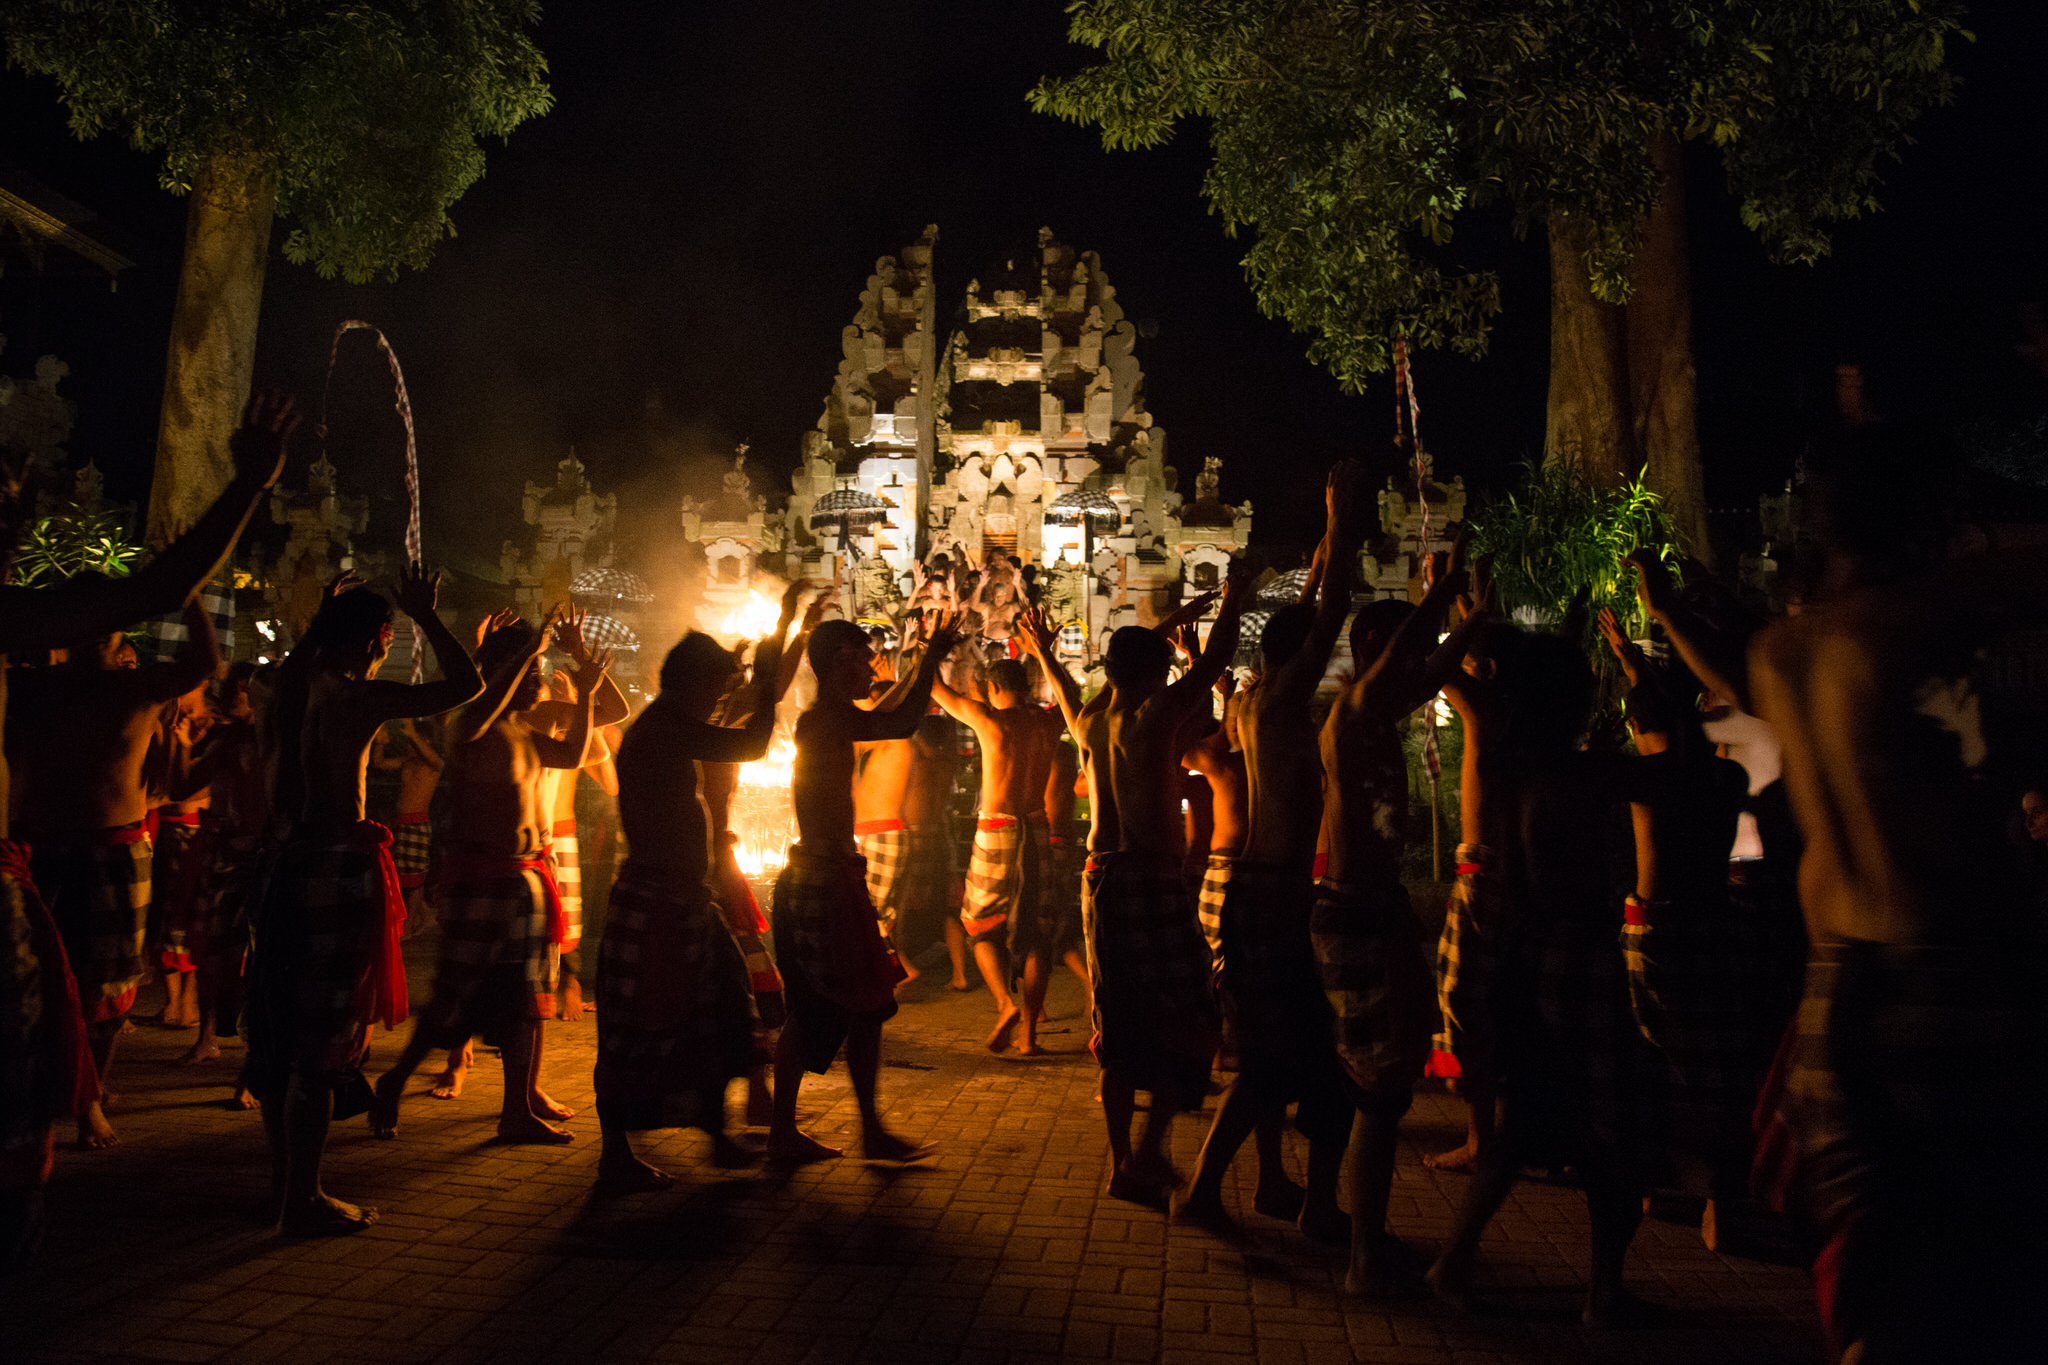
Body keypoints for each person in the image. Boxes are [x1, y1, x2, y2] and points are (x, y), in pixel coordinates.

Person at [1747, 422, 2048, 1361]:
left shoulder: (1781, 650)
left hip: (1833, 992)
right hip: (1946, 984)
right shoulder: (1914, 620)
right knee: (1977, 1291)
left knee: (1887, 1297)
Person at [1, 389, 291, 1259]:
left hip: (99, 847)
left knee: (94, 995)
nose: (14, 514)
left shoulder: (117, 686)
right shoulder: (41, 675)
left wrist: (242, 498)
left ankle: (87, 1096)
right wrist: (246, 484)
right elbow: (159, 584)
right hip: (38, 848)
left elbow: (176, 614)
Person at [1426, 631, 1659, 1327]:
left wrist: (1472, 630)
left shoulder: (1506, 763)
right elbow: (1681, 770)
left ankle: (1457, 1261)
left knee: (1527, 1123)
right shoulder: (1587, 772)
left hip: (1527, 959)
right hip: (1579, 960)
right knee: (1613, 1129)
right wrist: (1643, 673)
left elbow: (1442, 670)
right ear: (1575, 699)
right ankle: (1602, 1288)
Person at [243, 564, 484, 1233]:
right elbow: (469, 683)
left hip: (277, 865)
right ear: (380, 638)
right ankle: (304, 1199)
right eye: (387, 637)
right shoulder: (356, 699)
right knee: (323, 1044)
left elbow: (290, 673)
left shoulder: (271, 688)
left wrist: (319, 619)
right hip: (331, 864)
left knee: (279, 1032)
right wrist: (427, 615)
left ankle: (283, 1186)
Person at [1178, 464, 1364, 1247]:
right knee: (1298, 1060)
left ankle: (1283, 1188)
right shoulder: (1282, 699)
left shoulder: (1253, 699)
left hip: (1260, 891)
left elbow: (1301, 618)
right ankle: (1215, 1192)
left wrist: (1316, 563)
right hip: (1275, 897)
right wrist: (1341, 520)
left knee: (1276, 1053)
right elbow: (1328, 615)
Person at [1032, 578, 1245, 1206]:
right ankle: (1149, 1149)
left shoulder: (1093, 717)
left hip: (1101, 878)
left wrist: (1047, 651)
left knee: (1122, 1025)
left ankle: (1127, 1162)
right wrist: (1232, 599)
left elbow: (1122, 664)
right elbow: (1211, 662)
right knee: (1196, 1013)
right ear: (1158, 674)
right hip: (1148, 878)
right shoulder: (1154, 715)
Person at [370, 610, 610, 1145]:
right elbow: (483, 702)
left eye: (539, 670)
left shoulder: (524, 732)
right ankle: (396, 1079)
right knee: (455, 997)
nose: (539, 680)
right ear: (501, 673)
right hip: (483, 880)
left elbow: (573, 753)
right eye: (529, 672)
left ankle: (516, 1111)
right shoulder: (472, 727)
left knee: (528, 1002)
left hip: (527, 878)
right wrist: (523, 652)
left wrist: (588, 687)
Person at [593, 584, 802, 1189]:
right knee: (634, 1031)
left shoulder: (672, 723)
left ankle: (716, 1136)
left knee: (721, 1016)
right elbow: (752, 741)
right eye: (714, 684)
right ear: (692, 683)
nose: (719, 695)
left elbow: (743, 718)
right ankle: (617, 1155)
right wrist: (765, 670)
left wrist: (775, 643)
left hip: (681, 899)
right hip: (656, 899)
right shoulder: (663, 729)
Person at [7, 590, 222, 1149]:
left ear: (123, 637)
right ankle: (31, 1092)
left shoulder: (139, 687)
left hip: (116, 849)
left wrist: (190, 596)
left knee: (108, 990)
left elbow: (204, 665)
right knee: (25, 978)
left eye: (106, 625)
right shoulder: (34, 687)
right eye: (83, 623)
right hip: (40, 848)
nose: (94, 633)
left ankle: (91, 1098)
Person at [769, 608, 962, 1164]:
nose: (872, 666)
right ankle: (851, 1131)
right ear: (840, 663)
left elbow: (893, 713)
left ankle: (836, 1130)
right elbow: (900, 722)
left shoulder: (829, 716)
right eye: (863, 657)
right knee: (850, 1007)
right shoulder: (827, 718)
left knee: (850, 1007)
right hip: (824, 880)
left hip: (828, 876)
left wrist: (924, 658)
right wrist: (928, 655)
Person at [1596, 609, 1760, 1240]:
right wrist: (1633, 662)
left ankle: (1655, 1183)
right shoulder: (1725, 774)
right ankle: (1719, 1197)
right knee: (1711, 1061)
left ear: (1635, 726)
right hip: (1716, 921)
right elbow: (1663, 714)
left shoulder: (1644, 778)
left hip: (1657, 930)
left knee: (1650, 1060)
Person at [934, 656, 1071, 1054]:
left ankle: (1004, 1004)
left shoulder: (989, 720)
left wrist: (933, 645)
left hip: (997, 827)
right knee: (1037, 933)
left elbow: (936, 689)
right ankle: (1029, 1036)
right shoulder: (1048, 722)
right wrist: (1045, 652)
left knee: (979, 925)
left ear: (993, 688)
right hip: (1037, 825)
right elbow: (1072, 696)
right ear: (1026, 686)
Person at [165, 664, 267, 1080]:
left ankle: (255, 1056)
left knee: (261, 956)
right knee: (212, 950)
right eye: (233, 689)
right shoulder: (226, 739)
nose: (235, 697)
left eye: (244, 691)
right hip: (222, 852)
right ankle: (206, 1037)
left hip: (262, 856)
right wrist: (183, 742)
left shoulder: (275, 739)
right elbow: (182, 788)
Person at [371, 718, 442, 935]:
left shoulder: (432, 765)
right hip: (401, 824)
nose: (408, 746)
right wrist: (381, 741)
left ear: (425, 742)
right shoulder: (407, 762)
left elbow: (438, 762)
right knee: (402, 874)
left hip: (418, 825)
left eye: (412, 742)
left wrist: (412, 732)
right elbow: (379, 763)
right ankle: (426, 917)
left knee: (415, 879)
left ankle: (410, 926)